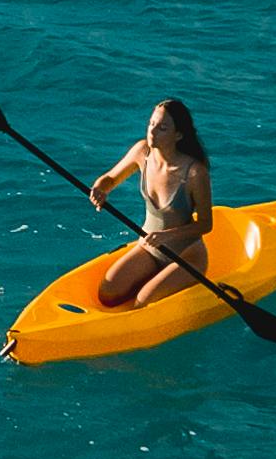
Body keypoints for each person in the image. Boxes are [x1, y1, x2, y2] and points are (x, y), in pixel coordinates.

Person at [85, 93, 218, 307]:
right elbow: (110, 178)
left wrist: (166, 236)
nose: (152, 132)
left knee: (142, 303)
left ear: (178, 135)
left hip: (187, 255)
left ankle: (176, 284)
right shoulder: (142, 152)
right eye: (151, 124)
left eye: (162, 128)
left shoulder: (194, 172)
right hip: (149, 247)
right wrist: (100, 188)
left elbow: (206, 224)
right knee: (107, 293)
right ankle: (155, 279)